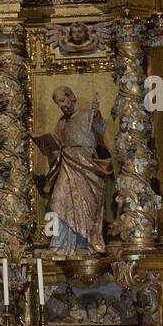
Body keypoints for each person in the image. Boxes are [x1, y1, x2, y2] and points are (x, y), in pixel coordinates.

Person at [36, 86, 111, 253]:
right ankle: (60, 243)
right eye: (58, 103)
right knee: (58, 199)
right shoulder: (62, 122)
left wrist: (96, 115)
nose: (62, 106)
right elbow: (56, 145)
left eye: (63, 100)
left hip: (86, 164)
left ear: (72, 97)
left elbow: (100, 129)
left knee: (86, 205)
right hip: (67, 164)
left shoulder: (87, 114)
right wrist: (44, 143)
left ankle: (85, 244)